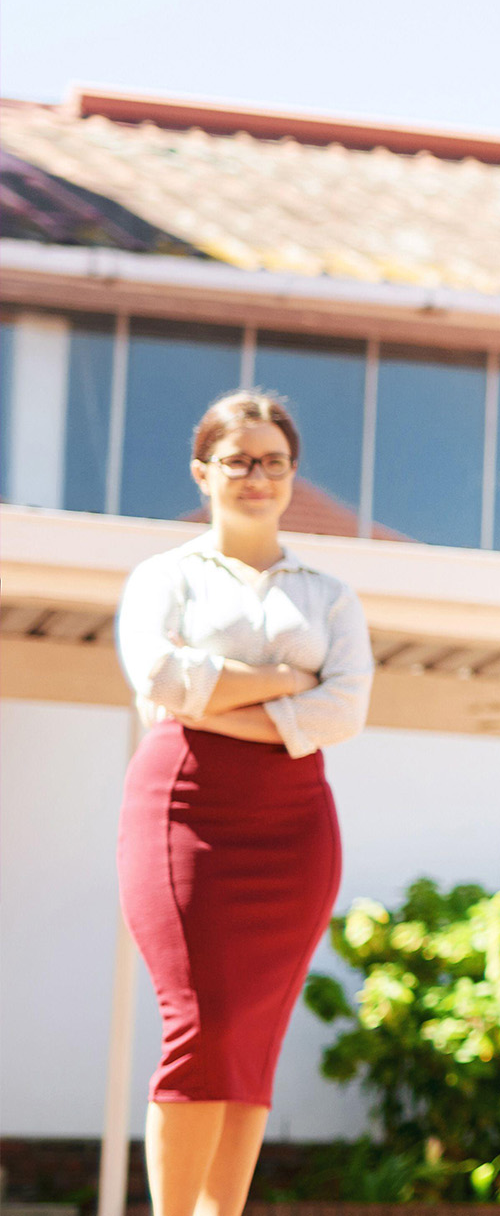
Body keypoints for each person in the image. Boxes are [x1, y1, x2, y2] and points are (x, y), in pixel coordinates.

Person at [114, 389, 373, 1216]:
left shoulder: (329, 593)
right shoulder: (164, 577)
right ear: (204, 471)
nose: (257, 476)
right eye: (238, 460)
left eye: (273, 462)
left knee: (253, 1034)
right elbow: (160, 678)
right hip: (183, 810)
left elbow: (346, 709)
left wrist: (216, 696)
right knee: (202, 1021)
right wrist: (291, 682)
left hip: (294, 827)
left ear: (293, 474)